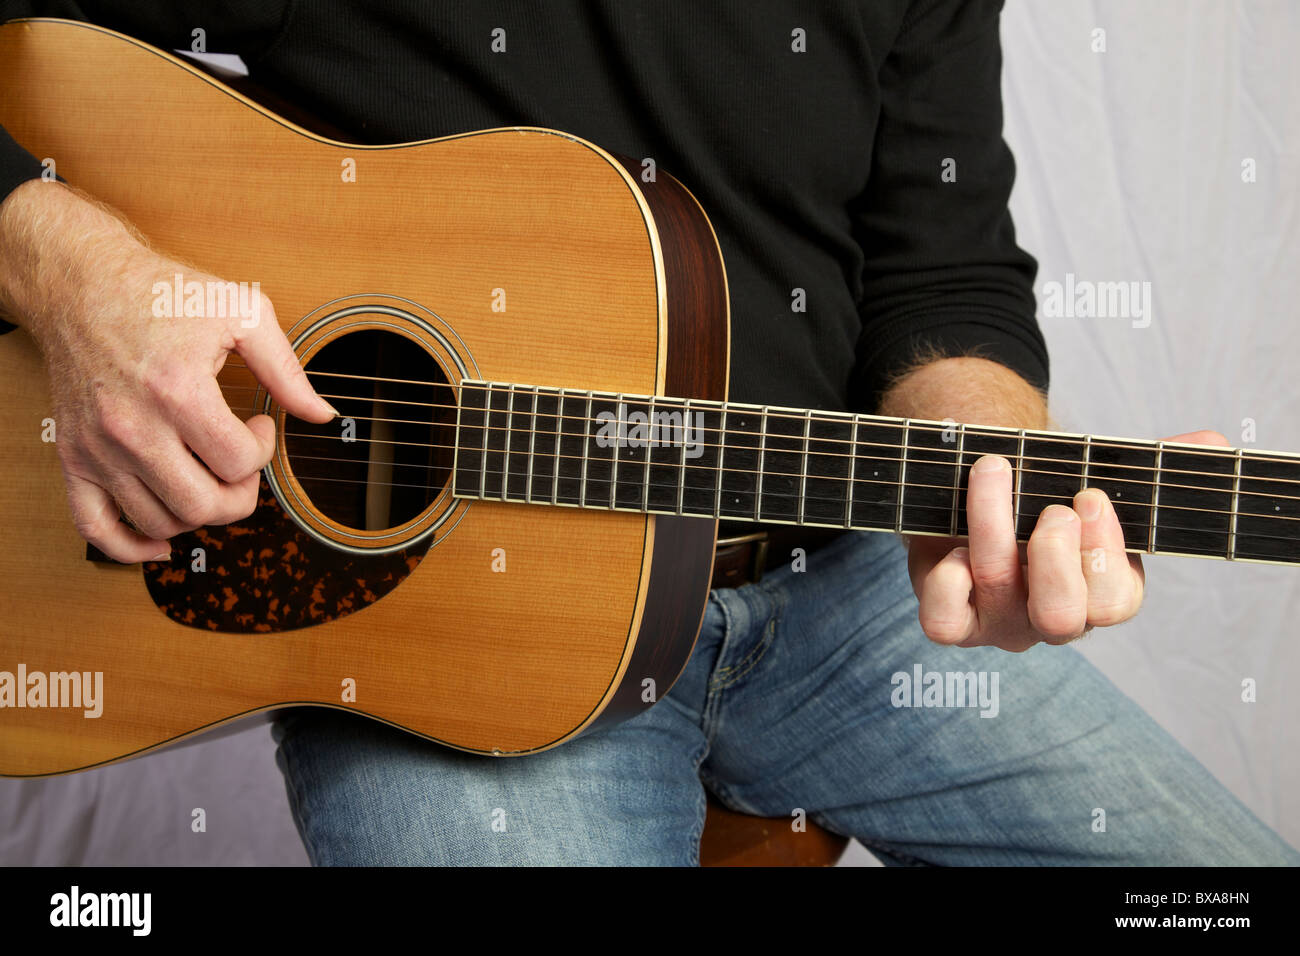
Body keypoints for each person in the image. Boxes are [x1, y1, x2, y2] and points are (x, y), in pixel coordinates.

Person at [0, 0, 1295, 866]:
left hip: (834, 590)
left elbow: (941, 268)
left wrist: (992, 484)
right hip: (454, 640)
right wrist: (72, 274)